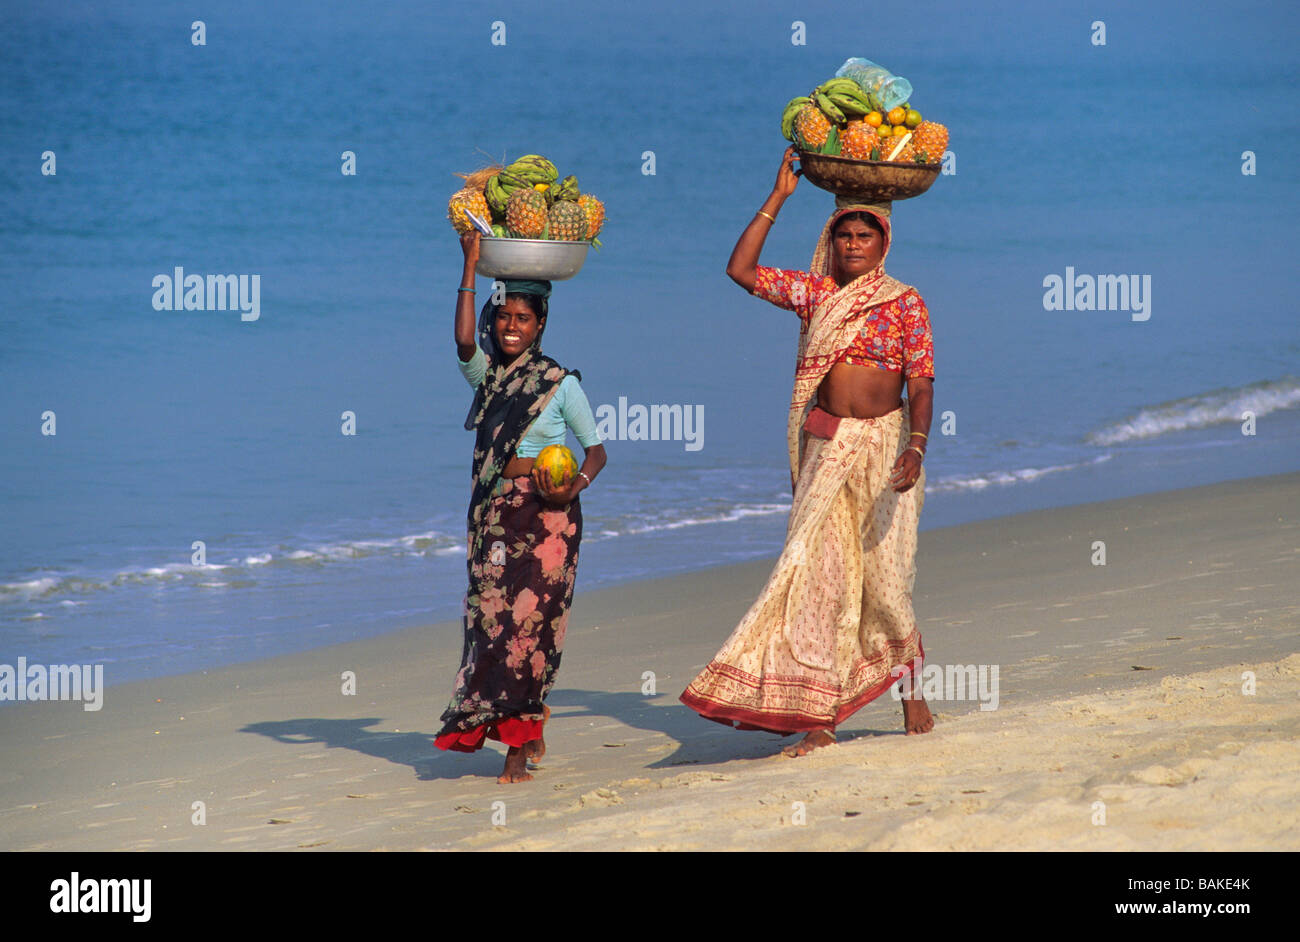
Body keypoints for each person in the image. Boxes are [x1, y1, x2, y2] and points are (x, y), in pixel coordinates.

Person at [680, 146, 936, 757]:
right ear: (832, 237)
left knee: (886, 582)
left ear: (883, 243)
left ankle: (911, 688)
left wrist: (918, 447)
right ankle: (818, 717)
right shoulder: (816, 293)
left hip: (884, 449)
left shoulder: (905, 302)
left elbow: (921, 382)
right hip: (828, 448)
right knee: (817, 576)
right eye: (844, 234)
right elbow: (740, 270)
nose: (853, 244)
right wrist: (778, 198)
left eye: (864, 236)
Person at [435, 229, 607, 784]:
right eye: (504, 317)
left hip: (550, 520)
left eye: (523, 319)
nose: (512, 327)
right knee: (491, 626)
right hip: (496, 516)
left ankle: (515, 747)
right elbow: (463, 343)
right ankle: (525, 725)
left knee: (529, 630)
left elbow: (597, 451)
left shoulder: (558, 383)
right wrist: (470, 264)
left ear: (540, 325)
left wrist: (573, 486)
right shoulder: (489, 380)